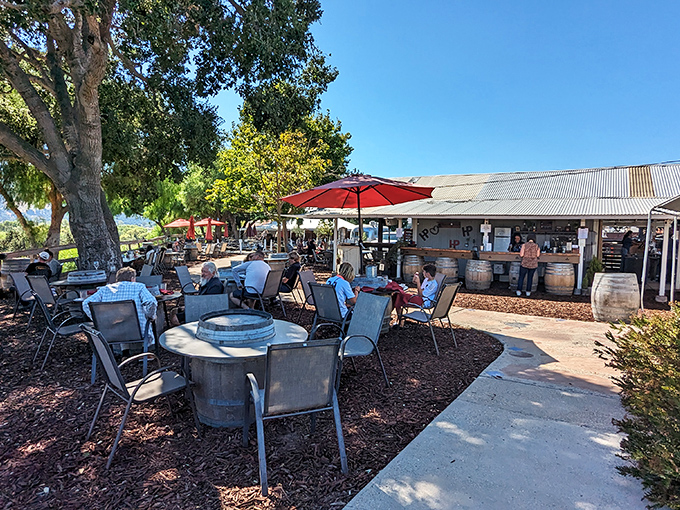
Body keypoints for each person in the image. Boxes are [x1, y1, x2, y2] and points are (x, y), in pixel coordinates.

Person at [82, 267, 157, 347]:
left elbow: (86, 303)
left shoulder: (104, 290)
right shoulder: (139, 287)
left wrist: (98, 320)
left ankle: (125, 352)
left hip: (111, 331)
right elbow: (151, 302)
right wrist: (151, 316)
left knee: (120, 319)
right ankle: (143, 352)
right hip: (137, 331)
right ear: (132, 279)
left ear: (117, 279)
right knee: (133, 319)